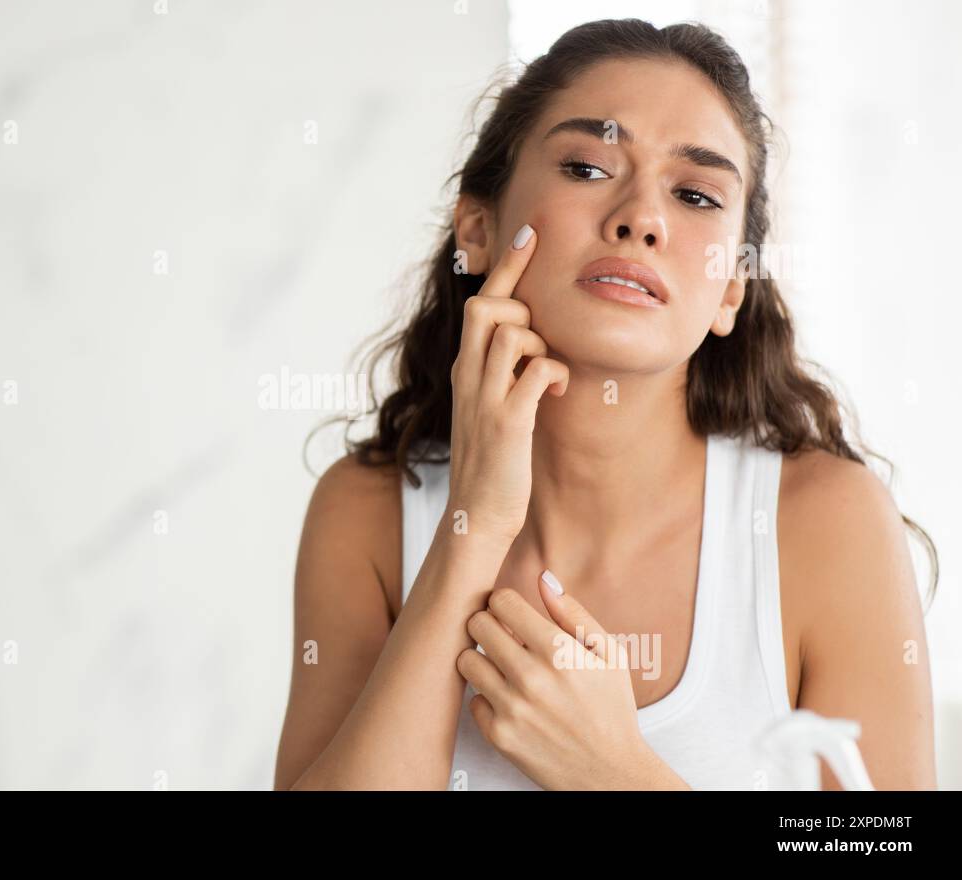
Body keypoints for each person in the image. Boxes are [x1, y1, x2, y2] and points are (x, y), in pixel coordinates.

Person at [275, 19, 938, 791]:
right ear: (478, 228)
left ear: (731, 289)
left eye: (695, 194)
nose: (641, 218)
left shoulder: (825, 521)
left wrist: (613, 773)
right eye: (588, 167)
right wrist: (473, 530)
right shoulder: (367, 513)